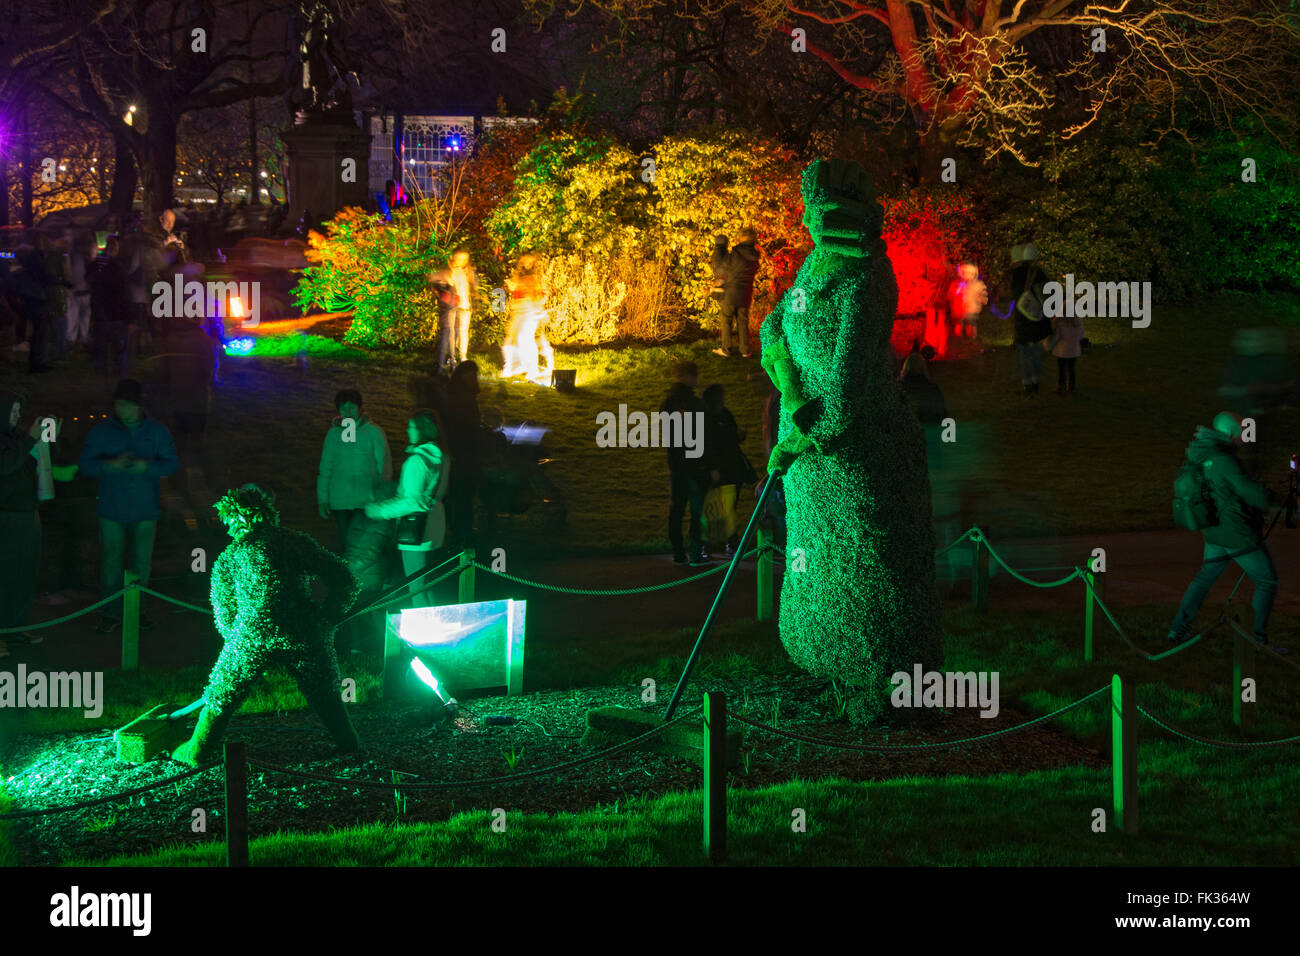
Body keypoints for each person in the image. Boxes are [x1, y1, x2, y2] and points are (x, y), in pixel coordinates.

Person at [170, 485, 361, 767]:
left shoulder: (229, 557)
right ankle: (348, 742)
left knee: (221, 691)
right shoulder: (292, 541)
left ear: (232, 520)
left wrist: (239, 639)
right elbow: (343, 577)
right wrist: (327, 617)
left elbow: (224, 614)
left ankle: (196, 750)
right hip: (303, 628)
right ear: (268, 513)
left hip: (249, 634)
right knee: (325, 690)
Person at [1168, 412, 1282, 650]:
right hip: (1236, 534)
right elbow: (1249, 492)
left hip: (1213, 530)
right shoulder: (1224, 459)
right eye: (1242, 430)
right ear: (1231, 434)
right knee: (1266, 581)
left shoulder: (1201, 453)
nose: (1244, 435)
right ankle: (1256, 641)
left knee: (1204, 578)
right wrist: (1283, 503)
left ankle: (1177, 630)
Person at [77, 378, 179, 634]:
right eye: (119, 405)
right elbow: (85, 465)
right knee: (111, 562)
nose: (122, 410)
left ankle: (137, 611)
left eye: (127, 405)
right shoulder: (102, 432)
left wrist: (148, 468)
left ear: (139, 406)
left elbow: (172, 464)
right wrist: (108, 465)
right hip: (112, 509)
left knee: (141, 563)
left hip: (145, 510)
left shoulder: (157, 432)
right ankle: (110, 614)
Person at [364, 410, 450, 608]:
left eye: (411, 427)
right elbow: (438, 493)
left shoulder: (417, 460)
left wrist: (378, 510)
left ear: (422, 430)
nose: (407, 430)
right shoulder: (440, 457)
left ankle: (425, 633)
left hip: (415, 529)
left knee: (416, 586)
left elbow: (412, 501)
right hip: (434, 526)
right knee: (427, 585)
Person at [0, 390, 46, 659]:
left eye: (19, 411)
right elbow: (5, 465)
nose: (17, 416)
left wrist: (47, 440)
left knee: (24, 575)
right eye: (13, 411)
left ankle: (15, 628)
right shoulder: (11, 440)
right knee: (4, 576)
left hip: (27, 513)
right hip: (5, 516)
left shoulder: (17, 438)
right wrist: (30, 437)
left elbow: (34, 463)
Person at [316, 389, 392, 551]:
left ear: (360, 408)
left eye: (352, 408)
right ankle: (349, 575)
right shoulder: (334, 435)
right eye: (344, 409)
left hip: (366, 500)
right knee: (347, 545)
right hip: (341, 501)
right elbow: (326, 467)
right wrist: (323, 499)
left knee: (366, 547)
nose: (348, 412)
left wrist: (381, 494)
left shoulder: (373, 433)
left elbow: (384, 466)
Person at [164, 305, 219, 508]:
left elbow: (165, 370)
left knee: (177, 445)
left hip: (177, 401)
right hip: (196, 402)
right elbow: (208, 370)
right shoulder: (203, 340)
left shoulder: (171, 339)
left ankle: (178, 486)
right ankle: (197, 487)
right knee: (195, 445)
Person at [662, 361, 713, 566]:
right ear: (688, 377)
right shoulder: (696, 403)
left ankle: (678, 552)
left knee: (677, 509)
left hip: (677, 464)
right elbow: (706, 436)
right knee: (696, 510)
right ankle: (695, 552)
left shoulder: (668, 403)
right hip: (695, 464)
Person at [701, 384, 754, 555]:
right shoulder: (706, 417)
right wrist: (712, 468)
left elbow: (731, 437)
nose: (723, 400)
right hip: (718, 468)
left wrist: (739, 435)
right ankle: (708, 545)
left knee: (729, 507)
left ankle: (729, 543)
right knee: (712, 508)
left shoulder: (725, 414)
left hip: (732, 468)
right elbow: (707, 444)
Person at [442, 361, 483, 548]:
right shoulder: (460, 399)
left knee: (463, 498)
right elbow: (459, 428)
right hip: (463, 456)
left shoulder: (465, 397)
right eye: (472, 375)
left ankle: (462, 534)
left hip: (466, 455)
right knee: (461, 498)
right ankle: (461, 535)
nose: (475, 378)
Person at [1009, 243, 1053, 395]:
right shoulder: (1040, 273)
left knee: (1024, 352)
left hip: (1022, 319)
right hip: (1038, 319)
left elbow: (1015, 296)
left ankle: (1026, 383)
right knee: (1037, 350)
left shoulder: (1016, 273)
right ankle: (1036, 381)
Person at [710, 227, 760, 358]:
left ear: (742, 238)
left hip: (731, 293)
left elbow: (723, 269)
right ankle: (745, 351)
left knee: (727, 321)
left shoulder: (736, 254)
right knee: (743, 321)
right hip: (745, 293)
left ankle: (726, 349)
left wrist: (717, 273)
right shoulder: (755, 256)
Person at [89, 236, 133, 377]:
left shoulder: (96, 265)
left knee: (100, 353)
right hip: (116, 315)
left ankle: (102, 382)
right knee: (120, 354)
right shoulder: (117, 267)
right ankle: (120, 382)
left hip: (100, 314)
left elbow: (90, 281)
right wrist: (130, 318)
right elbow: (124, 294)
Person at [65, 231, 93, 347]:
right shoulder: (78, 257)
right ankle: (77, 338)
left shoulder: (79, 257)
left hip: (80, 290)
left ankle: (78, 338)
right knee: (78, 316)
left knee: (78, 316)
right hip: (78, 290)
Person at [1046, 311, 1085, 395]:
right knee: (1071, 369)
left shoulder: (1060, 321)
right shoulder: (1078, 321)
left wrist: (1048, 344)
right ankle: (1071, 388)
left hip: (1062, 350)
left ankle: (1061, 387)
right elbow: (1081, 335)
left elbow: (1056, 336)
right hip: (1073, 350)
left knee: (1061, 369)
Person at [947, 261, 988, 339]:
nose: (967, 275)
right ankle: (958, 336)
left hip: (972, 309)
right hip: (959, 309)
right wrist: (952, 297)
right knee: (958, 323)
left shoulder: (977, 285)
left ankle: (972, 336)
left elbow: (983, 293)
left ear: (974, 274)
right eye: (964, 273)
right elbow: (951, 294)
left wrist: (982, 298)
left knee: (971, 323)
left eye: (970, 273)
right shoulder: (956, 284)